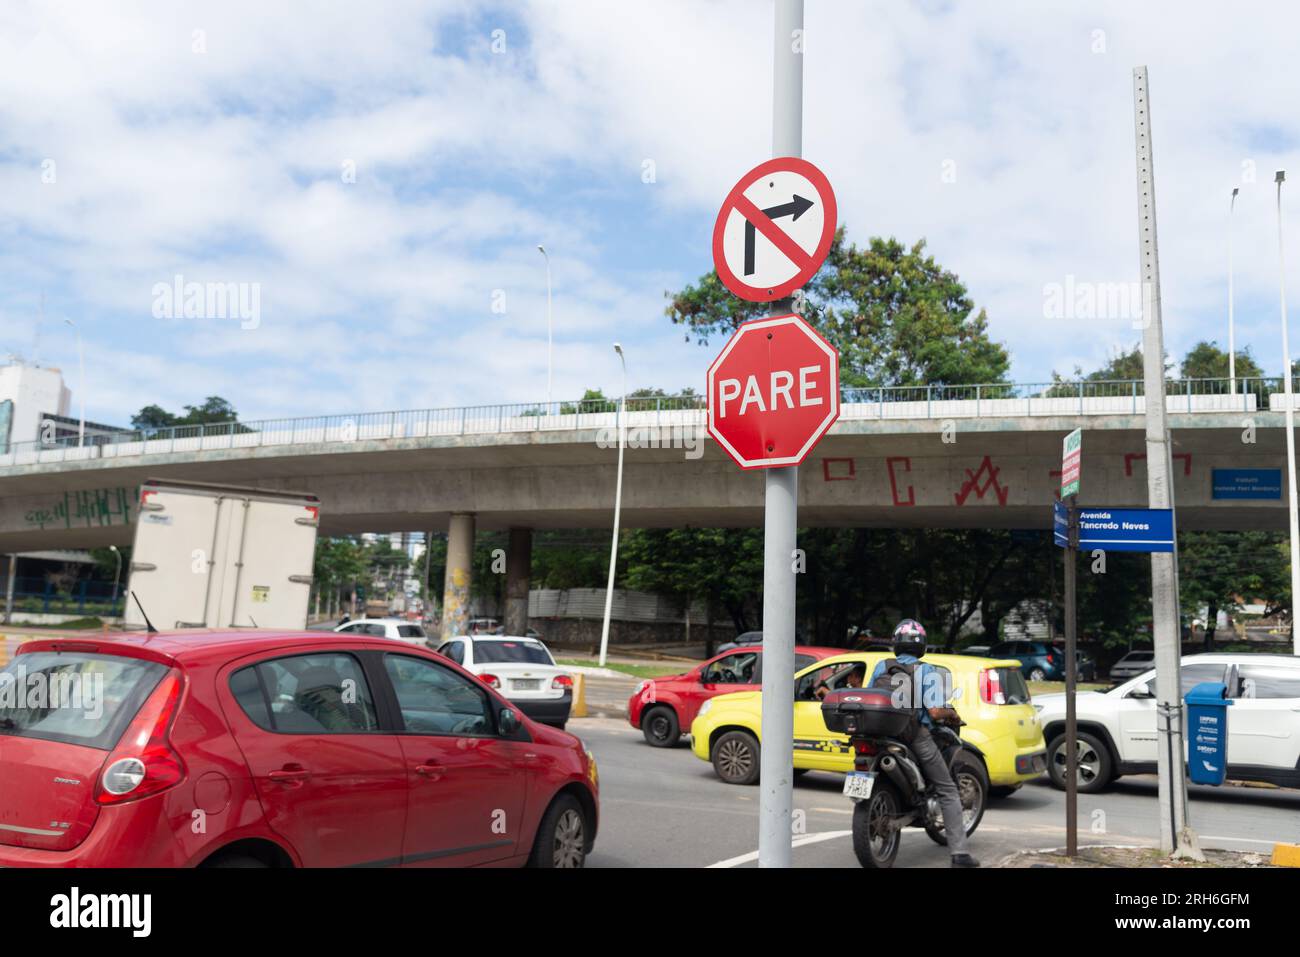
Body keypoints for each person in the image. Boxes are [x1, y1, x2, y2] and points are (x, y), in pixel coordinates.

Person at [868, 619, 980, 868]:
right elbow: (935, 712)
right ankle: (960, 855)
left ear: (896, 644)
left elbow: (870, 697)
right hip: (913, 735)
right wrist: (953, 714)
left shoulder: (881, 666)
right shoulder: (926, 671)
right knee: (948, 790)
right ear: (922, 647)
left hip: (880, 734)